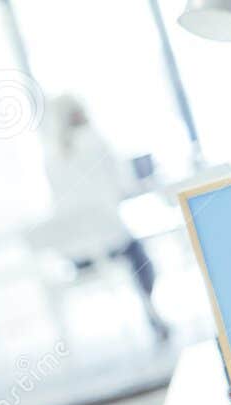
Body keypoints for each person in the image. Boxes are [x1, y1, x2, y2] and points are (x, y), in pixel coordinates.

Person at [38, 95, 170, 344]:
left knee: (125, 247)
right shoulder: (95, 141)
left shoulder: (51, 156)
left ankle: (151, 318)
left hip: (77, 256)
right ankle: (153, 314)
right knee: (140, 257)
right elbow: (125, 184)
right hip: (112, 245)